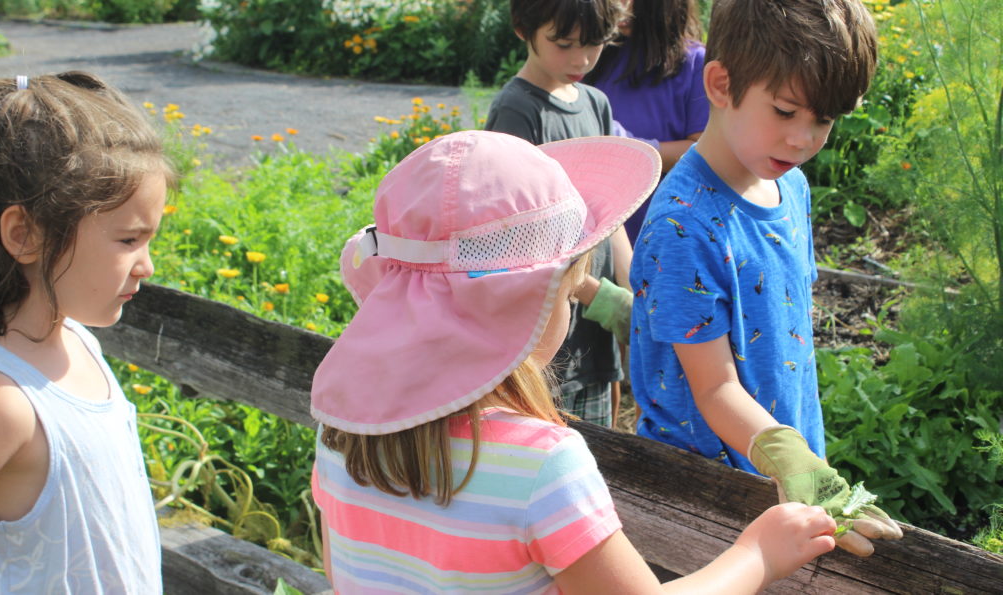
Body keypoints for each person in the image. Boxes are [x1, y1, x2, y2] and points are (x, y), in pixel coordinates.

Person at [310, 129, 837, 594]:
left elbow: (343, 576)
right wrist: (759, 554)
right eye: (563, 296)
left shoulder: (340, 438)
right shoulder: (542, 467)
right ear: (526, 303)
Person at [627, 0, 903, 556]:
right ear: (721, 84)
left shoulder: (789, 184)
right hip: (704, 497)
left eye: (824, 119)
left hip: (784, 465)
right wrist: (787, 460)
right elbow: (715, 387)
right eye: (784, 111)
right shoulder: (684, 225)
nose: (803, 138)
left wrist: (803, 462)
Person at [0, 72, 174, 593]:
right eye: (129, 239)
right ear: (25, 234)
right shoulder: (0, 398)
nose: (146, 266)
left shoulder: (77, 338)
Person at [484, 0, 630, 427]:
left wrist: (632, 294)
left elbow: (616, 214)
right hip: (544, 345)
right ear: (524, 27)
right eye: (564, 43)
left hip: (595, 334)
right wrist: (600, 296)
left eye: (594, 44)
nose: (581, 60)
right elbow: (521, 244)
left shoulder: (595, 104)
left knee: (603, 461)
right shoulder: (517, 113)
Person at [586, 0, 710, 242]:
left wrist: (635, 150)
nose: (619, 4)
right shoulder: (595, 53)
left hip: (663, 238)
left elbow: (705, 151)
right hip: (597, 236)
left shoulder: (695, 64)